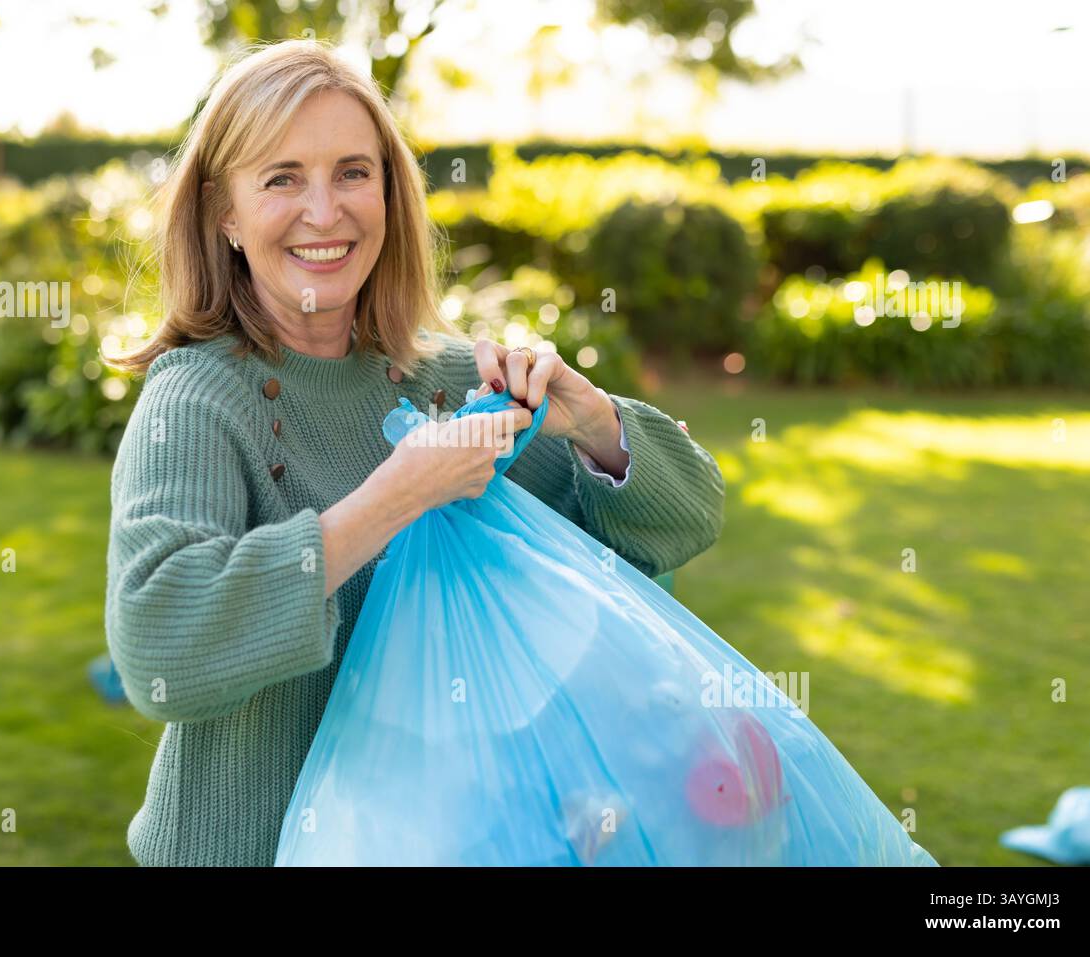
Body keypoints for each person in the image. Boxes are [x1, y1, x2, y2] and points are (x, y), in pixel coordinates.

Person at [104, 38, 725, 866]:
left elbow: (684, 523)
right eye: (282, 177)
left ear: (390, 196)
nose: (324, 212)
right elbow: (156, 649)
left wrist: (592, 420)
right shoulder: (196, 399)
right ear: (225, 212)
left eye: (353, 173)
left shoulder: (453, 383)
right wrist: (395, 496)